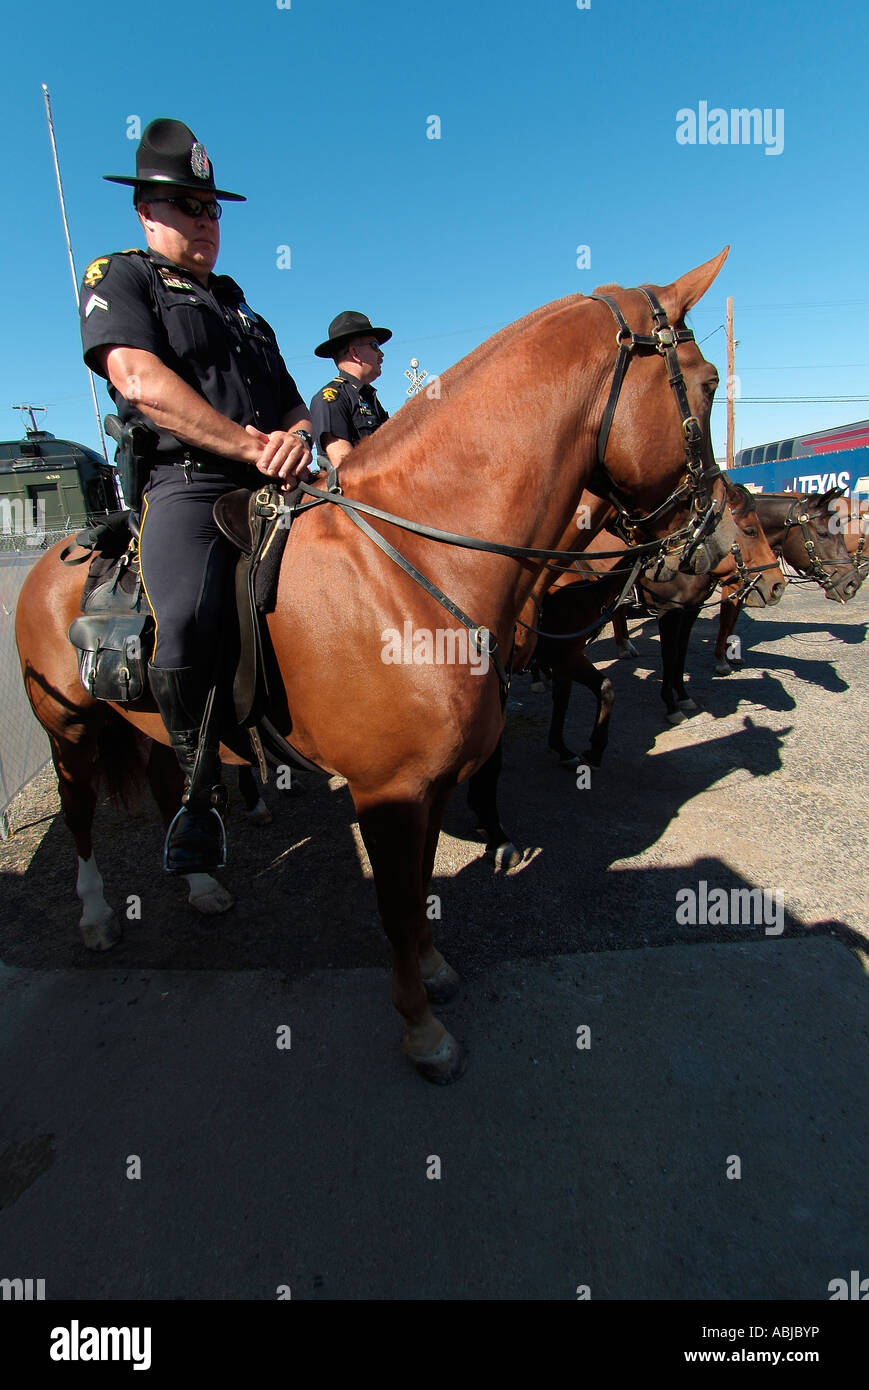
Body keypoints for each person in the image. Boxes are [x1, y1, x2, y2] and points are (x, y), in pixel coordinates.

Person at [79, 117, 316, 874]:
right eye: (186, 206)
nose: (204, 221)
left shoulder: (247, 310)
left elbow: (292, 402)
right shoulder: (121, 277)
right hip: (187, 482)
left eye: (211, 208)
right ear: (146, 212)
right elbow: (139, 382)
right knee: (181, 619)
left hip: (275, 478)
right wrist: (249, 445)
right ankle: (197, 797)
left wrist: (297, 438)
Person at [309, 311, 391, 469]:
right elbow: (347, 470)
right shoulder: (331, 399)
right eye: (375, 346)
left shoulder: (368, 397)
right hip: (360, 491)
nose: (381, 353)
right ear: (355, 353)